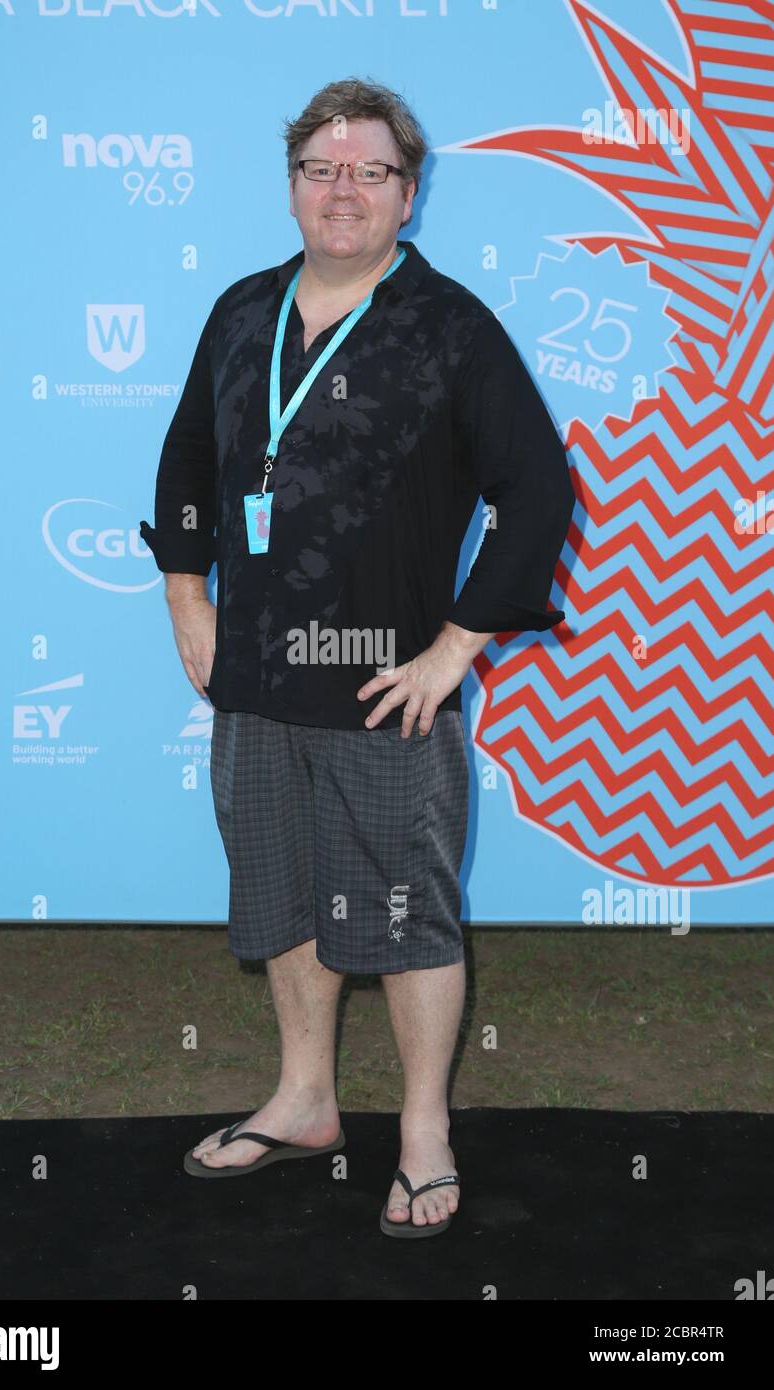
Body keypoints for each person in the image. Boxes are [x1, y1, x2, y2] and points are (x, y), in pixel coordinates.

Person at [140, 77, 575, 1237]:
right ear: (291, 186)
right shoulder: (241, 313)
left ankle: (423, 1131)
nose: (343, 190)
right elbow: (185, 461)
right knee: (280, 899)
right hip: (254, 686)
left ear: (407, 194)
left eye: (369, 172)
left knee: (405, 915)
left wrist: (455, 648)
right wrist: (188, 598)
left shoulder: (450, 327)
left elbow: (536, 491)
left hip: (386, 688)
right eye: (322, 169)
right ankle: (305, 1100)